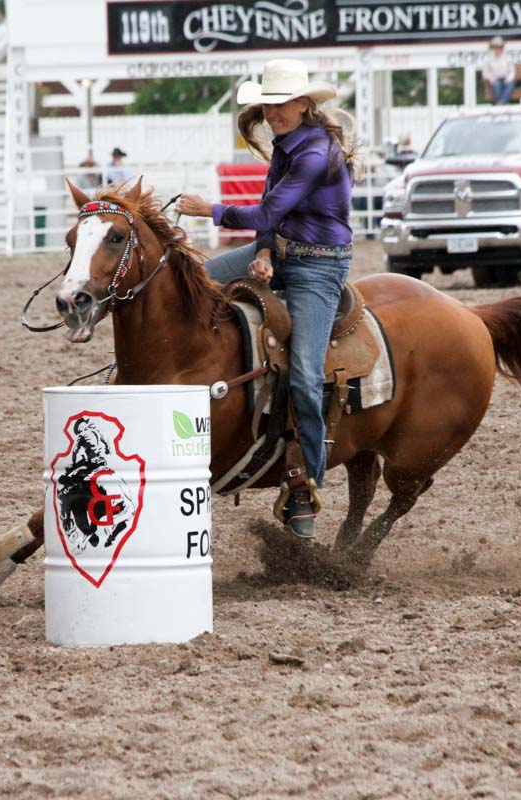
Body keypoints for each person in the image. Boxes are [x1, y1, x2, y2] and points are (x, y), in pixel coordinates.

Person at [176, 59, 358, 539]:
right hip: (283, 252)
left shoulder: (317, 152)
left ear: (303, 105)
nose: (272, 113)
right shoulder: (287, 145)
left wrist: (208, 209)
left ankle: (307, 484)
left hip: (319, 267)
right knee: (191, 283)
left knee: (303, 374)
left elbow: (270, 207)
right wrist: (261, 252)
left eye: (280, 106)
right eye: (267, 106)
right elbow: (271, 216)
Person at [482, 36, 515, 105]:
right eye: (496, 47)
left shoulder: (507, 57)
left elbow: (512, 70)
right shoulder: (488, 58)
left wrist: (509, 78)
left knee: (510, 85)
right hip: (495, 79)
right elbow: (485, 72)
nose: (498, 49)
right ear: (493, 48)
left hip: (505, 79)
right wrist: (491, 78)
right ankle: (501, 103)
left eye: (500, 47)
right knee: (496, 85)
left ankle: (501, 103)